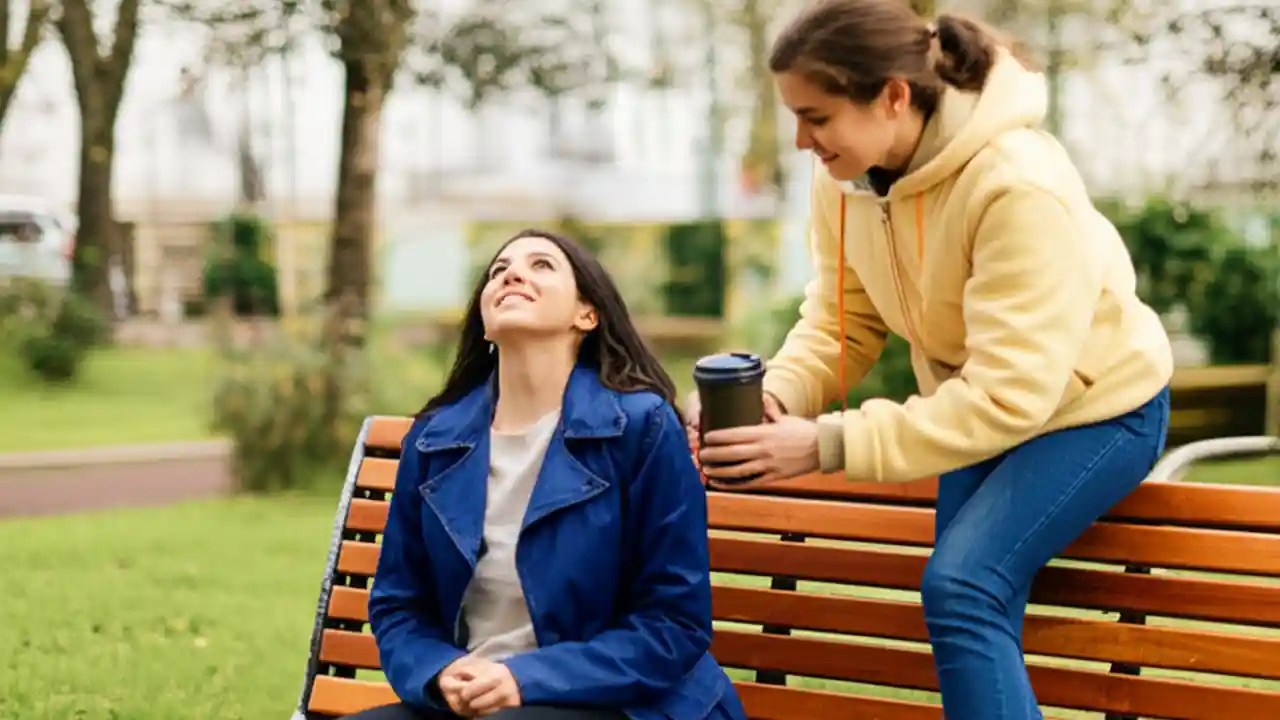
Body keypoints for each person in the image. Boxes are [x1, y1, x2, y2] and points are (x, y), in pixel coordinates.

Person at [693, 1, 1172, 718]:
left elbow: (1013, 395)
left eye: (817, 117)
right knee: (966, 600)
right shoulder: (847, 181)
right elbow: (840, 323)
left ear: (891, 95)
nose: (799, 140)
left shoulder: (1016, 186)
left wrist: (826, 444)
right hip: (977, 409)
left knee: (963, 587)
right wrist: (782, 396)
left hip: (1097, 409)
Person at [349, 230, 747, 720]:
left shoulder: (641, 428)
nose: (512, 274)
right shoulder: (434, 440)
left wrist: (524, 679)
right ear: (484, 324)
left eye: (541, 265)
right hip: (475, 702)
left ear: (588, 314)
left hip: (627, 703)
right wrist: (438, 671)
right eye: (499, 271)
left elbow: (673, 624)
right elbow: (399, 605)